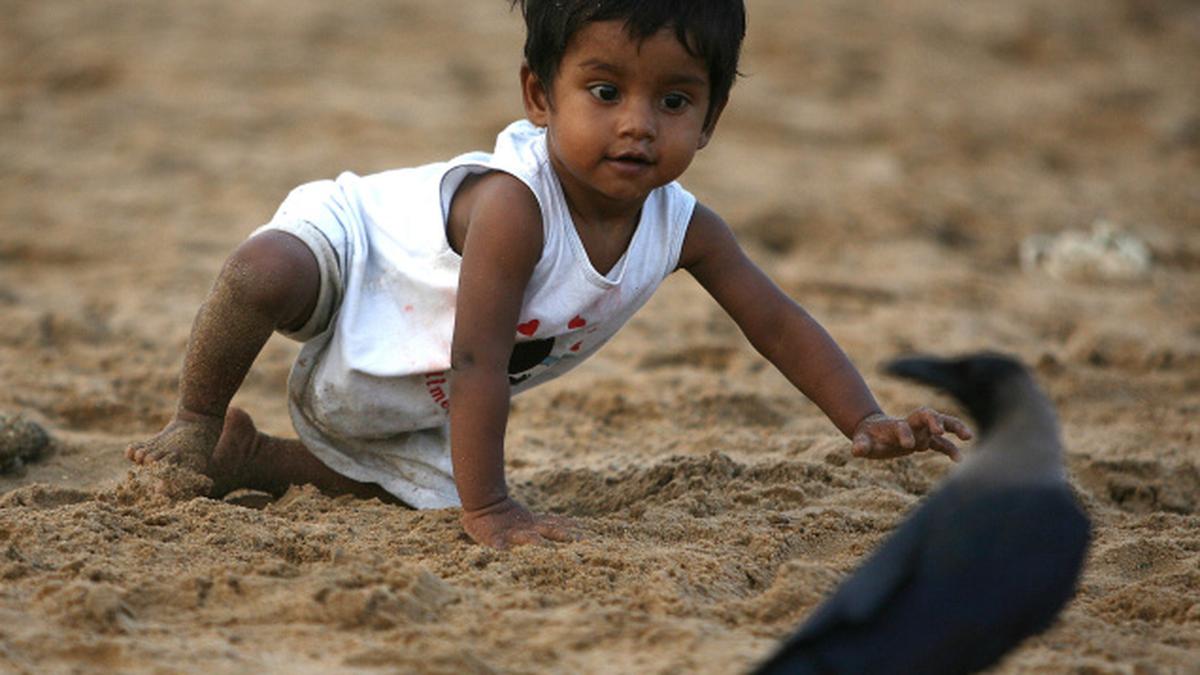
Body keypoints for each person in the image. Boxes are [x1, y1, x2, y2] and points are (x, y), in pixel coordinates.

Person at [126, 0, 972, 549]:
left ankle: (254, 459)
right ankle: (195, 422)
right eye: (604, 91)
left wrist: (864, 414)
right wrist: (492, 508)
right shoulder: (515, 208)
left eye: (673, 102)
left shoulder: (685, 228)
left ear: (711, 119)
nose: (637, 125)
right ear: (540, 95)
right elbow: (477, 363)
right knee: (261, 269)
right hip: (366, 264)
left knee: (405, 490)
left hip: (418, 371)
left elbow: (776, 320)